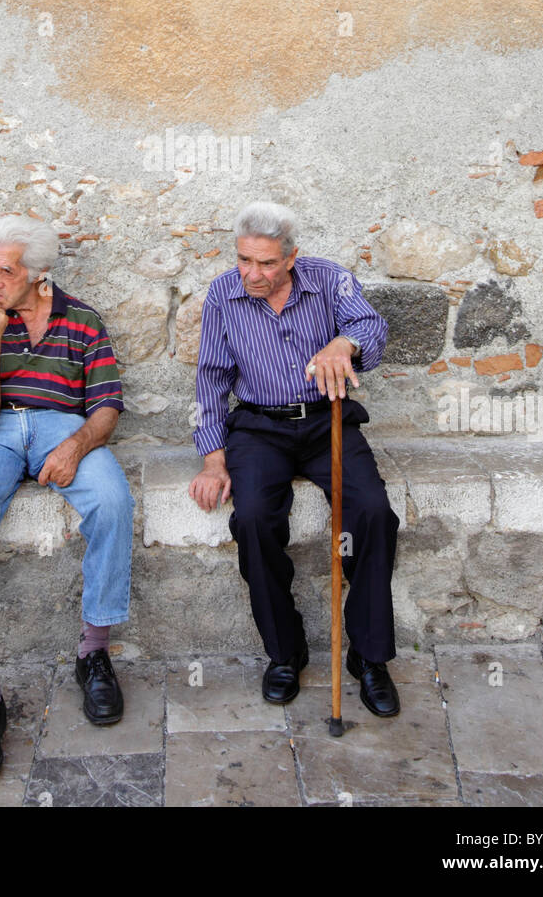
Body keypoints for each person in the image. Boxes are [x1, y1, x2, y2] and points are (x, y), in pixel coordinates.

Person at [0, 214, 133, 783]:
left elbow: (107, 408)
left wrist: (75, 445)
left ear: (39, 274)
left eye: (7, 270)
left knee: (113, 500)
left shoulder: (84, 322)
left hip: (62, 426)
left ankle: (93, 652)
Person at [188, 201, 401, 716]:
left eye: (265, 264)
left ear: (291, 258)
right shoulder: (223, 293)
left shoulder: (329, 279)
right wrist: (212, 459)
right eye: (244, 260)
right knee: (256, 519)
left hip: (327, 419)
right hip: (259, 426)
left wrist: (343, 343)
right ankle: (285, 652)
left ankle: (369, 657)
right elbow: (211, 380)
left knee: (372, 512)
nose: (253, 274)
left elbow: (372, 327)